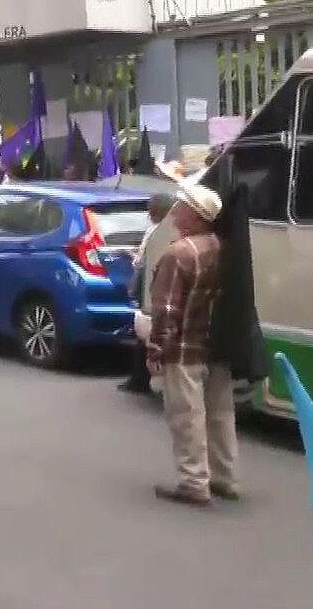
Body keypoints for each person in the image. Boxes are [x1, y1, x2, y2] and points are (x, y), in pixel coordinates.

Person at [147, 182, 236, 506]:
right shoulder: (220, 246)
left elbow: (167, 312)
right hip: (215, 345)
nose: (176, 210)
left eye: (182, 206)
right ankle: (225, 477)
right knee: (220, 414)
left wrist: (157, 350)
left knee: (186, 416)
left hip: (184, 348)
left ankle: (194, 481)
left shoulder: (179, 253)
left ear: (195, 216)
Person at [118, 192, 175, 395]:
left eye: (151, 210)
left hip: (151, 285)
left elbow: (150, 260)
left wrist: (137, 261)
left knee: (145, 332)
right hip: (146, 282)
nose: (149, 213)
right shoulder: (156, 229)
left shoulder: (163, 231)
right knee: (142, 332)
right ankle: (140, 377)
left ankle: (141, 378)